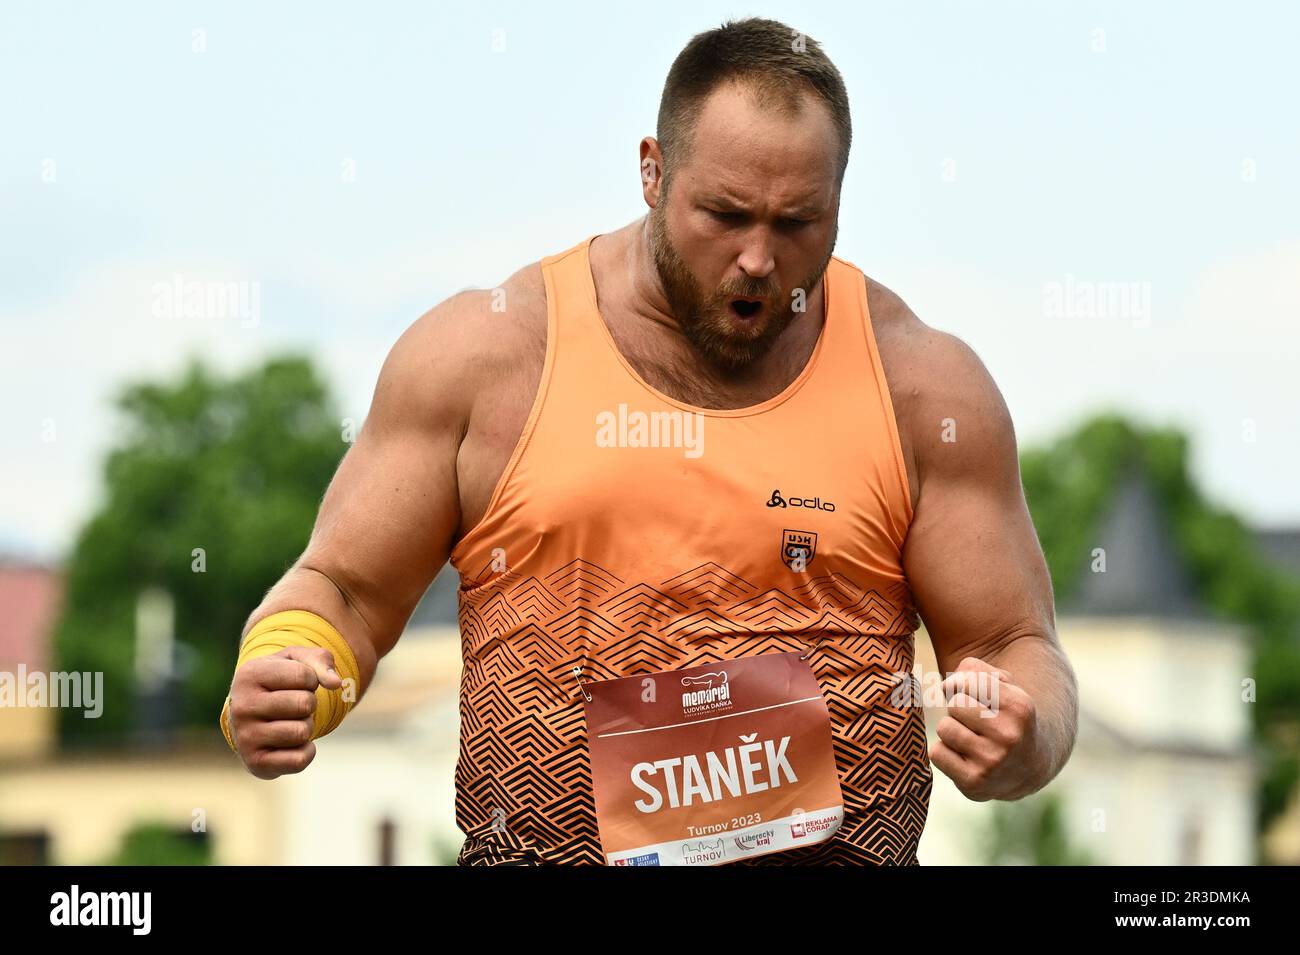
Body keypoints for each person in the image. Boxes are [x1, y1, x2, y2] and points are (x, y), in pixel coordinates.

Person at [220, 16, 1077, 865]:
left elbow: (1014, 646)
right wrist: (289, 669)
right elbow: (342, 589)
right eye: (726, 213)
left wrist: (1021, 737)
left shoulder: (924, 387)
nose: (756, 258)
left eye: (797, 224)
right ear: (651, 172)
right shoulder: (485, 359)